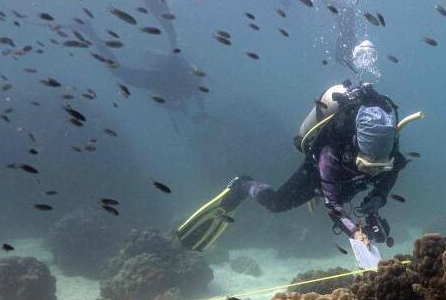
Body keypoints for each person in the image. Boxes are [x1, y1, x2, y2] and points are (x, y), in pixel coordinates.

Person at [178, 82, 419, 252]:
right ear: (356, 147)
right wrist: (354, 232)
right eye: (368, 165)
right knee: (276, 204)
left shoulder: (389, 151)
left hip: (345, 181)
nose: (373, 172)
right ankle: (243, 185)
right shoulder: (331, 154)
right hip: (319, 177)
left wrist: (376, 200)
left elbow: (391, 174)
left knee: (355, 184)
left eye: (380, 166)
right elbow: (333, 205)